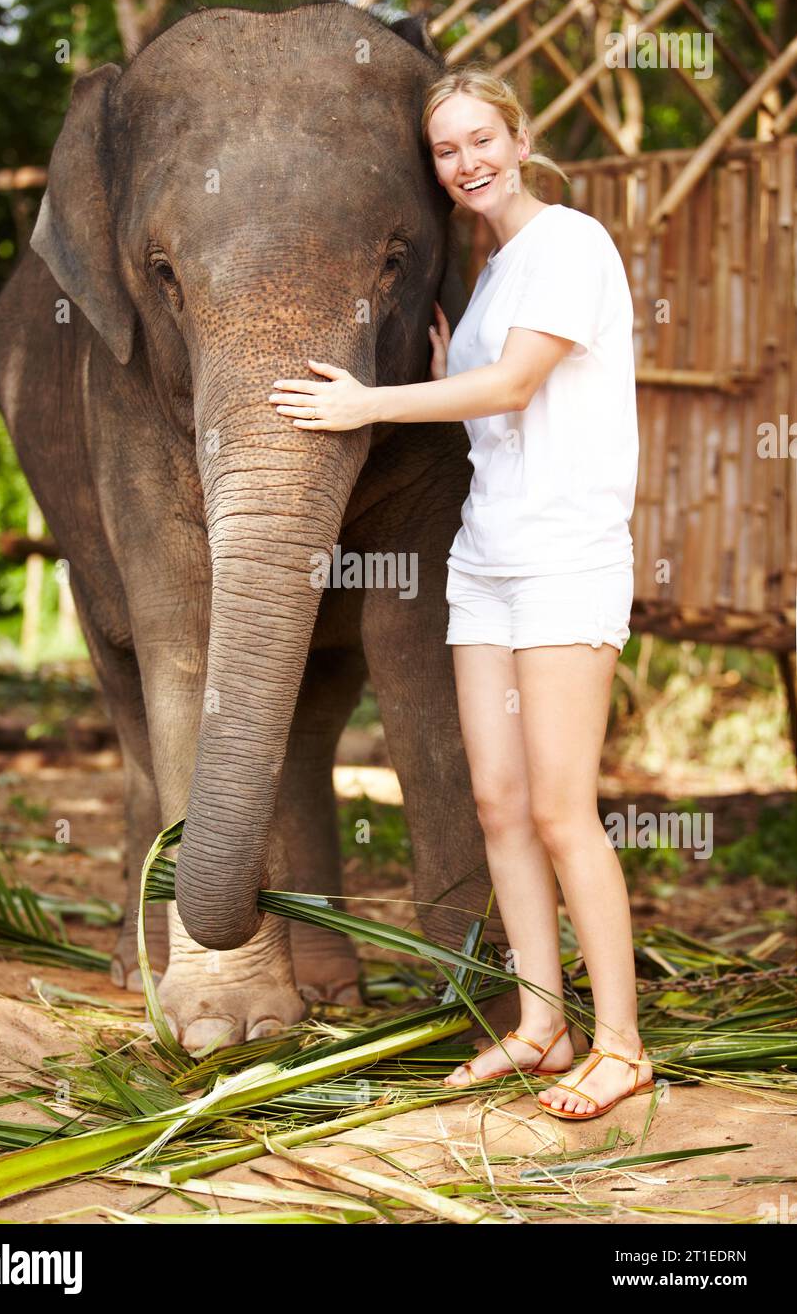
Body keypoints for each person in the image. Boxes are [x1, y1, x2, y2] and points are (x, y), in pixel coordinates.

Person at [267, 65, 654, 1122]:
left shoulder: (570, 242)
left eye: (481, 139)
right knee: (496, 800)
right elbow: (485, 392)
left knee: (561, 806)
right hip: (485, 557)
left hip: (565, 555)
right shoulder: (491, 275)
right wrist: (450, 359)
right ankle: (542, 1022)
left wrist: (368, 403)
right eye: (445, 150)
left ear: (519, 139)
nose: (466, 161)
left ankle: (620, 1042)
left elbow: (516, 386)